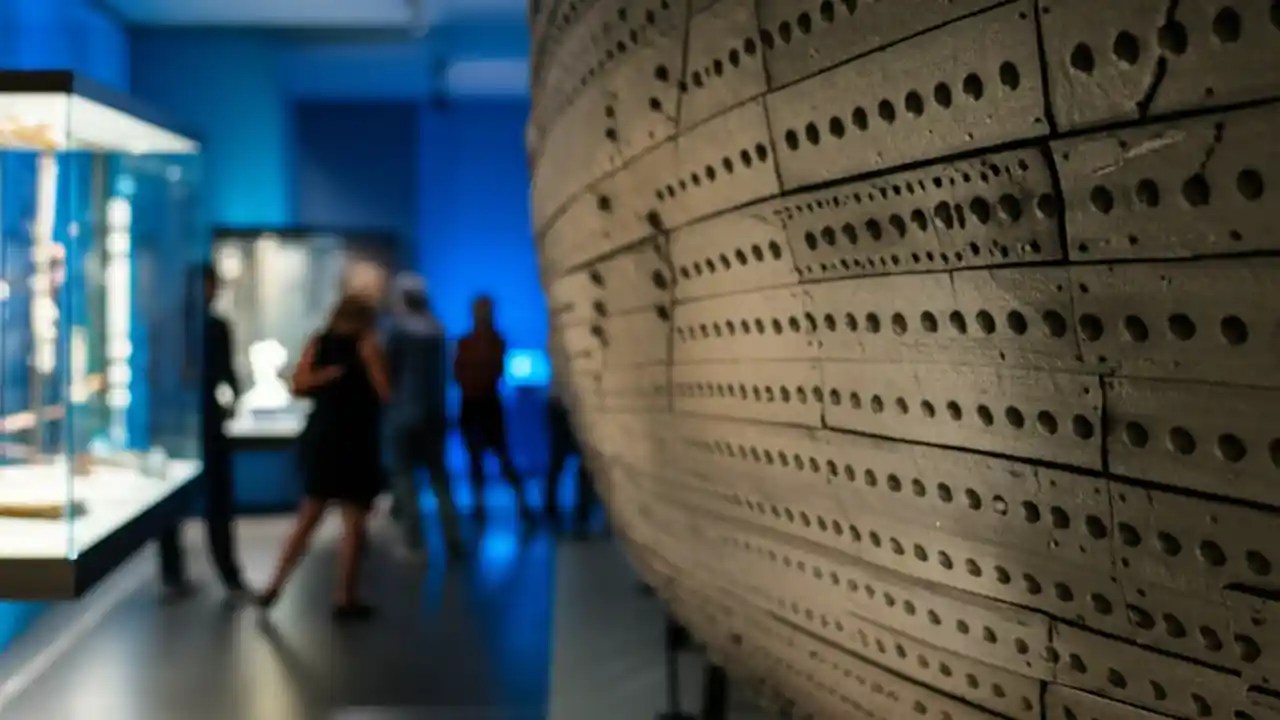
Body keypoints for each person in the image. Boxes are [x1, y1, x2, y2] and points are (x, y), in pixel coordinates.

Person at [258, 296, 390, 619]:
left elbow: (382, 391)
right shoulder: (331, 344)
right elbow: (301, 383)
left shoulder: (339, 343)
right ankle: (334, 595)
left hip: (341, 439)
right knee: (335, 520)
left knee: (327, 520)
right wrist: (333, 375)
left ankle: (287, 587)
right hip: (344, 440)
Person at [158, 264, 246, 597]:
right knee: (179, 504)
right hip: (187, 421)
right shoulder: (188, 326)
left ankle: (224, 573)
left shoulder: (203, 325)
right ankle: (179, 573)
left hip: (199, 420)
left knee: (216, 500)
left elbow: (224, 371)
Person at [384, 273, 461, 560]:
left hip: (404, 413)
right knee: (439, 477)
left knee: (404, 475)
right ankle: (453, 538)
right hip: (434, 412)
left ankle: (413, 539)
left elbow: (389, 373)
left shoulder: (398, 332)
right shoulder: (437, 329)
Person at [454, 295, 532, 522]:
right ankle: (512, 507)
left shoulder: (478, 342)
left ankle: (501, 508)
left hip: (480, 403)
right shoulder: (489, 341)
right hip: (482, 403)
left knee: (491, 459)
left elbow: (462, 373)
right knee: (486, 459)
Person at [543, 376, 597, 538]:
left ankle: (576, 514)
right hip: (571, 406)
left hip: (566, 405)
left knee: (563, 465)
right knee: (578, 466)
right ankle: (580, 515)